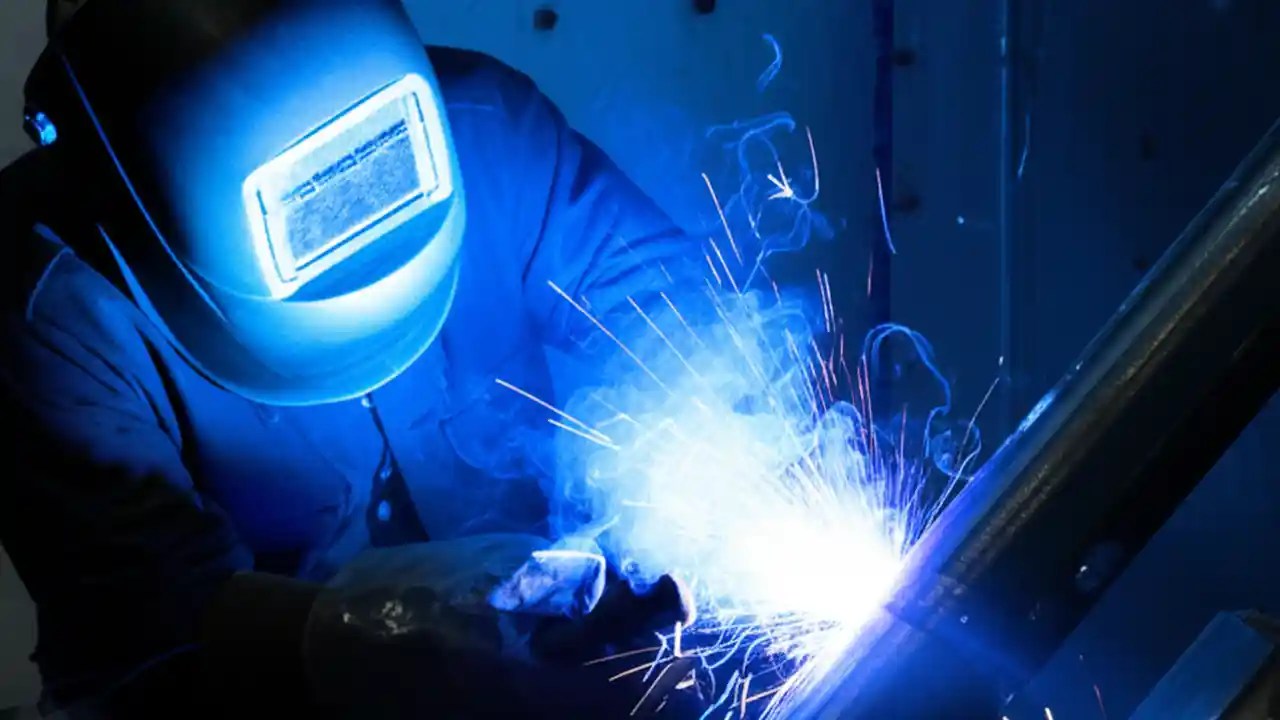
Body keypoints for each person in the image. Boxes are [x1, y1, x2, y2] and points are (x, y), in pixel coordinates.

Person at [0, 0, 704, 716]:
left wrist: (722, 460)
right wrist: (366, 639)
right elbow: (150, 637)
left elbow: (682, 320)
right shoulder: (44, 305)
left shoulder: (488, 132)